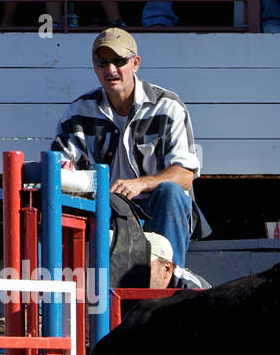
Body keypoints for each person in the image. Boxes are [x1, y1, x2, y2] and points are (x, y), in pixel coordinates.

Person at [53, 28, 210, 269]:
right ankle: (65, 289)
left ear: (135, 63)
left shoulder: (168, 106)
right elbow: (60, 171)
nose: (111, 70)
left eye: (119, 61)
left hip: (154, 207)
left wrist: (140, 184)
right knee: (54, 197)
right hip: (105, 207)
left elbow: (185, 175)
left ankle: (168, 281)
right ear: (94, 66)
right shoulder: (77, 112)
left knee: (171, 193)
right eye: (102, 62)